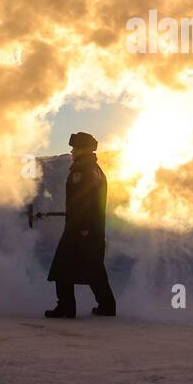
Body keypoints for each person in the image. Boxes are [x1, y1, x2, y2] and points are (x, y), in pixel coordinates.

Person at [45, 132, 116, 319]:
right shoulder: (95, 169)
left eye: (75, 148)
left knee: (62, 267)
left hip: (79, 228)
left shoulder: (82, 170)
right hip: (94, 228)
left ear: (82, 149)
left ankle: (66, 307)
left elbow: (83, 199)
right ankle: (107, 305)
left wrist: (83, 225)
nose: (72, 151)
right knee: (94, 268)